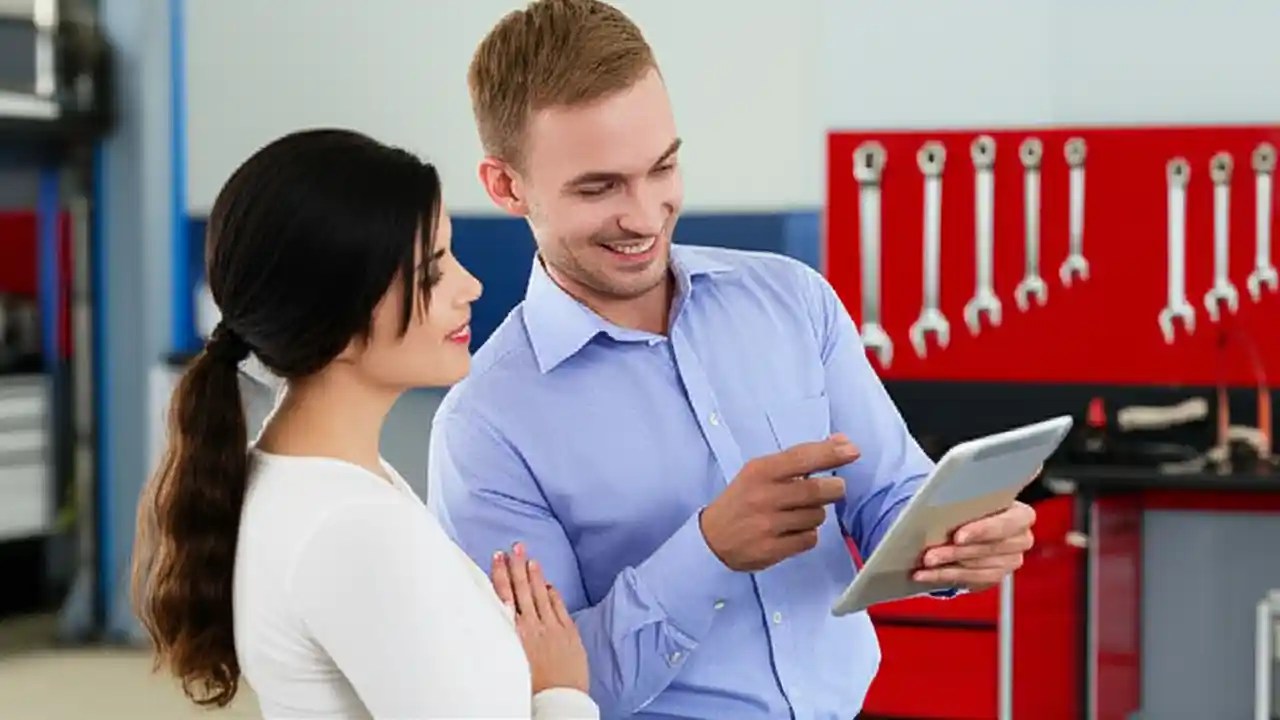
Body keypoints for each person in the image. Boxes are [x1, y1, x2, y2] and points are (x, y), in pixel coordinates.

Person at [426, 1, 1038, 718]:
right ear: (506, 186)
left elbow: (889, 499)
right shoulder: (486, 427)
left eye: (663, 168)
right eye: (600, 188)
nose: (646, 214)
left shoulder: (791, 302)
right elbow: (546, 694)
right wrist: (708, 551)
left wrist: (957, 541)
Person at [130, 128, 599, 719]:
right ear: (338, 315)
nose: (470, 287)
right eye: (432, 272)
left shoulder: (306, 478)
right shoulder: (353, 528)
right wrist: (562, 693)